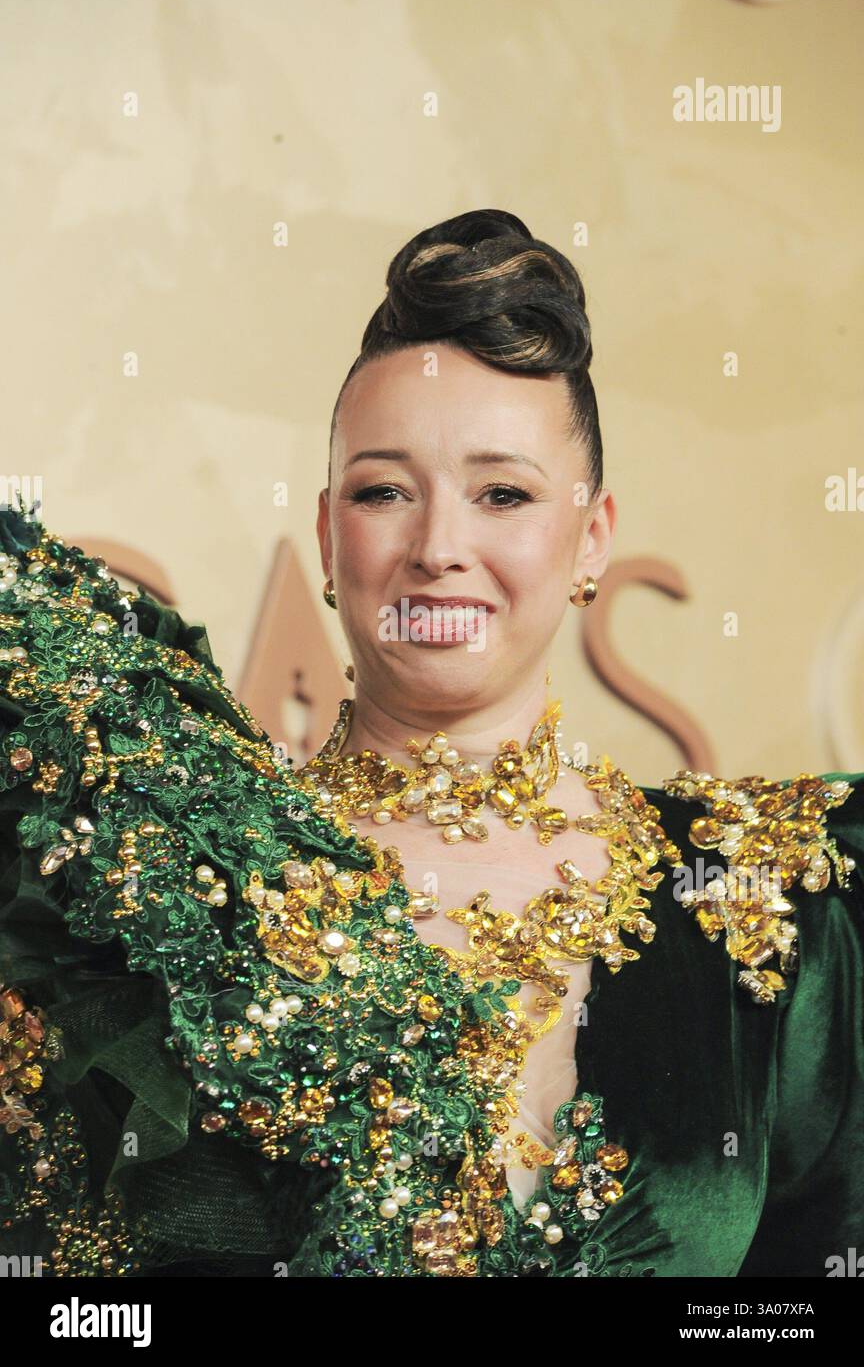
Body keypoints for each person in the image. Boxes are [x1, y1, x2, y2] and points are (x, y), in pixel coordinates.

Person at [0, 209, 861, 1279]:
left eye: (503, 493)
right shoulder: (167, 881)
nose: (439, 547)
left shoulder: (761, 902)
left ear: (592, 537)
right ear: (326, 532)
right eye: (384, 492)